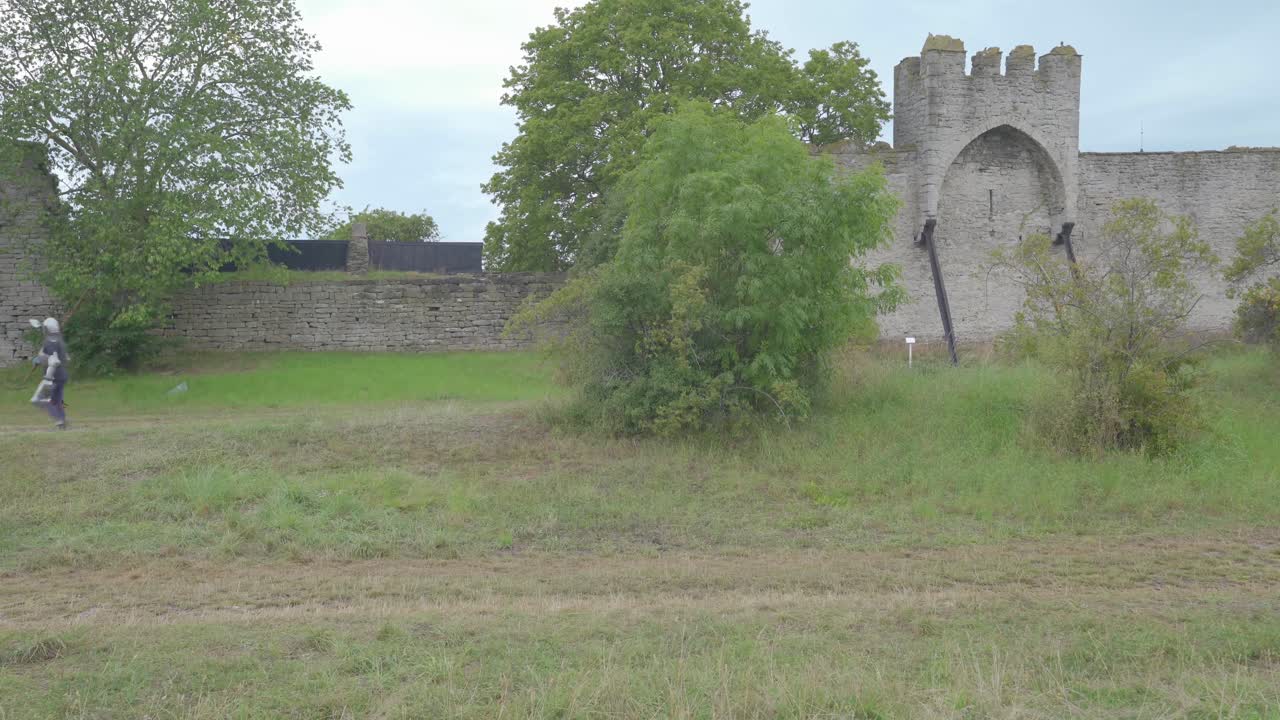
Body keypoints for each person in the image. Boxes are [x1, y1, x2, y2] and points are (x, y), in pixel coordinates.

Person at [31, 317, 69, 430]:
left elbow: (54, 360)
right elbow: (64, 358)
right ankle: (62, 421)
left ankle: (59, 420)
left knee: (39, 400)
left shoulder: (50, 342)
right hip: (62, 376)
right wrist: (41, 358)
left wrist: (40, 359)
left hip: (52, 377)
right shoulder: (59, 341)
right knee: (57, 400)